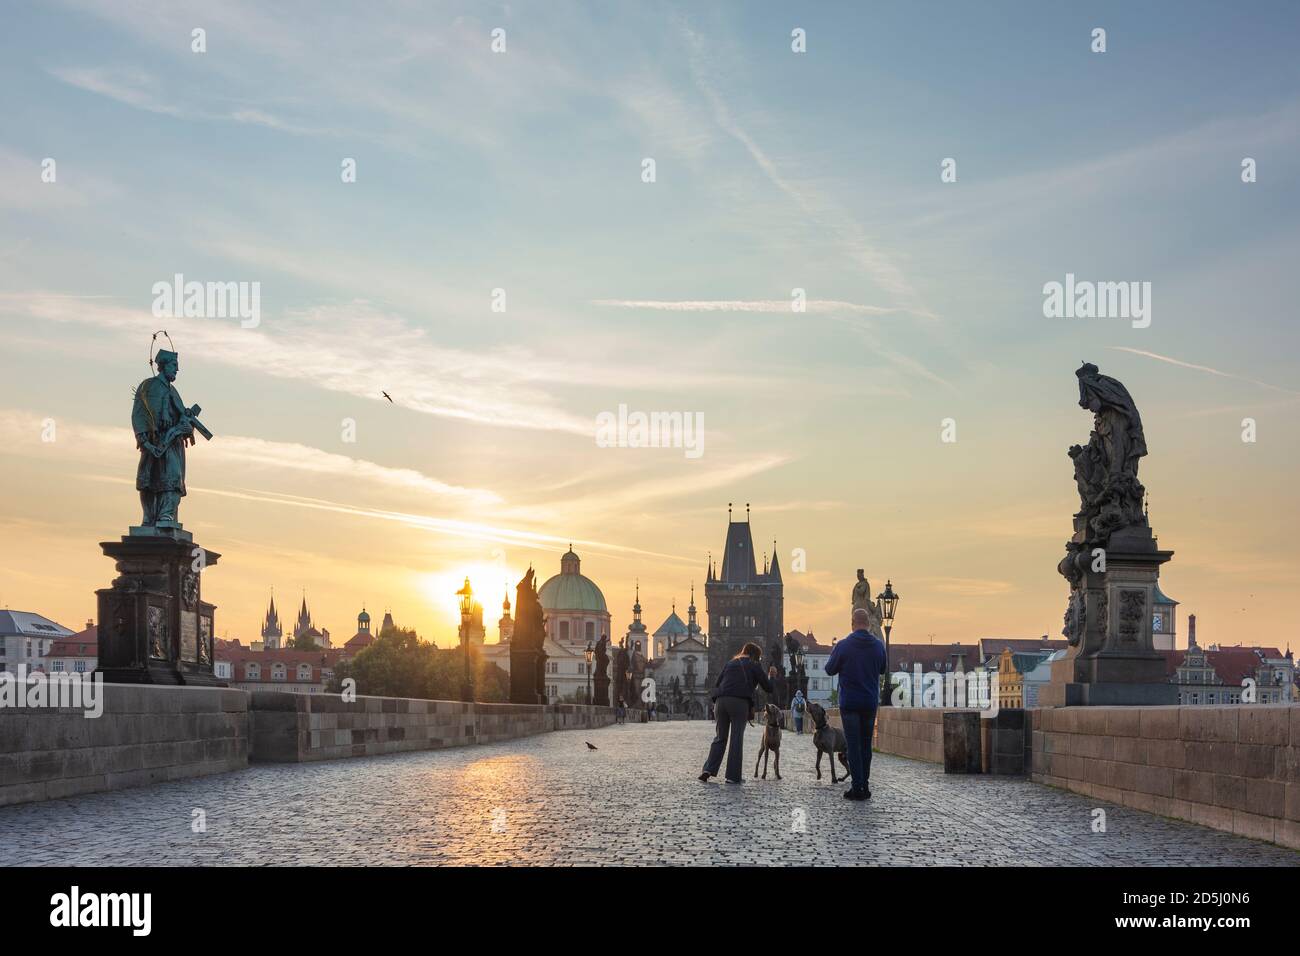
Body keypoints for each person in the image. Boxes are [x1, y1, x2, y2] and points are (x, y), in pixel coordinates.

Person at [824, 607, 888, 800]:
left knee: (853, 745)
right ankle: (865, 786)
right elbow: (883, 669)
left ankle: (857, 787)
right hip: (869, 702)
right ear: (868, 624)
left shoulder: (843, 645)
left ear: (852, 624)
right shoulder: (878, 646)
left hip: (850, 702)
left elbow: (829, 669)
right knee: (866, 745)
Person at [699, 643, 775, 784]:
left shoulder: (731, 663)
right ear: (755, 655)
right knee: (736, 738)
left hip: (720, 702)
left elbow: (717, 683)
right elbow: (768, 688)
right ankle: (733, 777)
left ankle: (708, 769)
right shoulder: (754, 665)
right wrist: (772, 676)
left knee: (720, 737)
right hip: (739, 703)